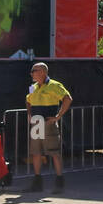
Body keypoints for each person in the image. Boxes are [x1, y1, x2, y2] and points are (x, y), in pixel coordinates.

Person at [26, 61, 72, 192]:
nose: (31, 73)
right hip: (36, 123)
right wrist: (29, 115)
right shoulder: (33, 87)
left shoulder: (54, 85)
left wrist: (57, 117)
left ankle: (59, 182)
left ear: (43, 72)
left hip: (48, 123)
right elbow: (28, 100)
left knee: (54, 152)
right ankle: (37, 183)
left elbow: (67, 98)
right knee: (36, 152)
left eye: (34, 70)